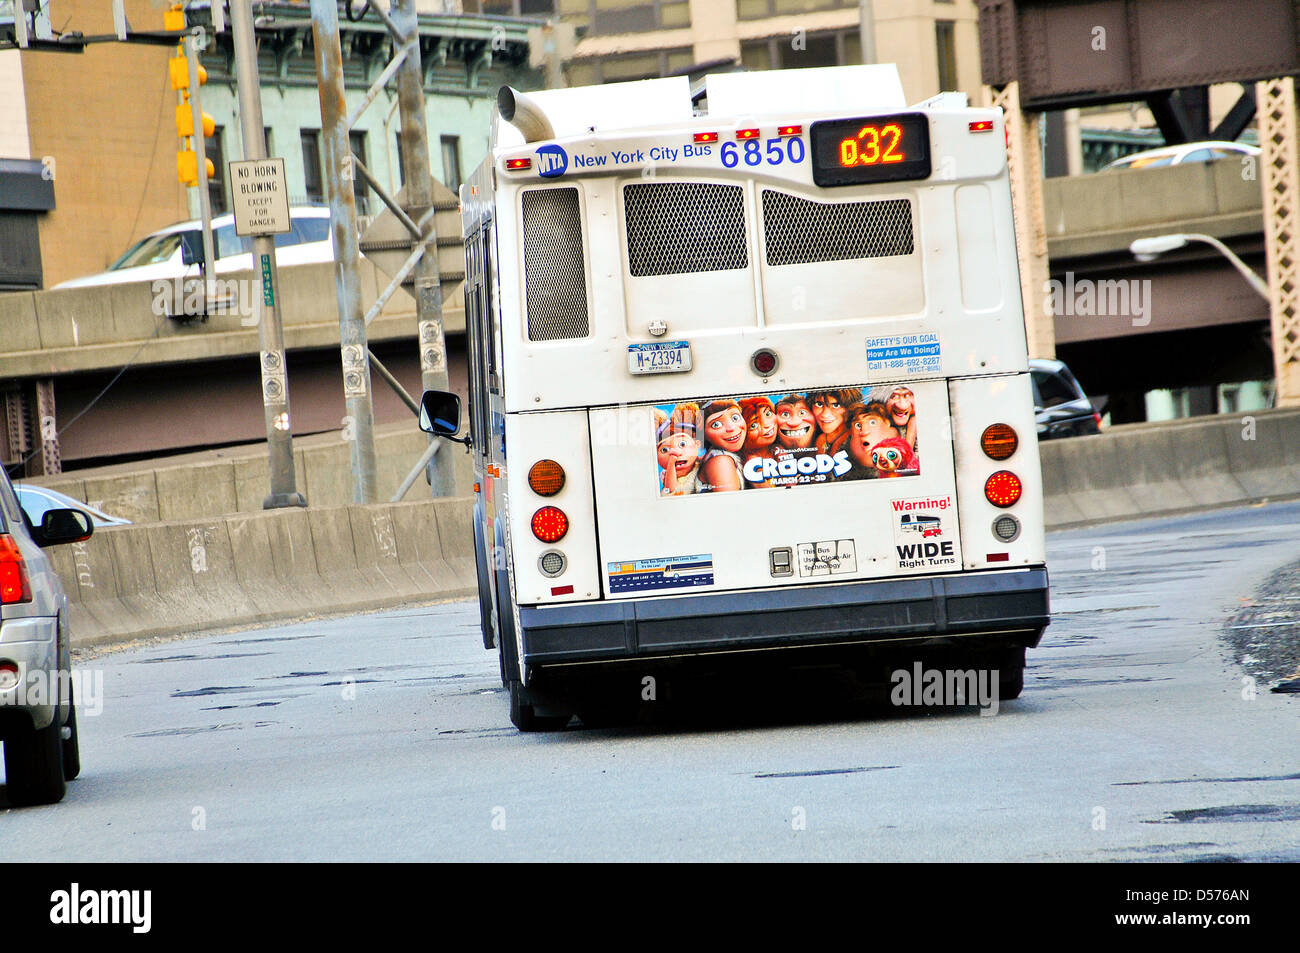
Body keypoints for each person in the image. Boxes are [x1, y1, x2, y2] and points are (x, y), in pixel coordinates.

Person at [655, 402, 703, 496]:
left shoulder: (700, 464)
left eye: (682, 444)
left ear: (697, 443)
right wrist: (671, 463)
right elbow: (670, 488)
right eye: (664, 450)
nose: (674, 452)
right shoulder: (667, 474)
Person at [698, 399, 747, 492]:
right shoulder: (721, 462)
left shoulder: (722, 455)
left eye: (735, 418)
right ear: (704, 435)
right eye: (716, 424)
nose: (731, 428)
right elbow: (729, 504)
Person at [739, 396, 778, 488]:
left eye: (768, 414)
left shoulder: (776, 449)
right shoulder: (752, 463)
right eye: (754, 425)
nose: (767, 425)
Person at [809, 388, 861, 456]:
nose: (825, 414)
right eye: (819, 404)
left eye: (836, 405)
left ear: (850, 407)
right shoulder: (820, 438)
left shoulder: (856, 437)